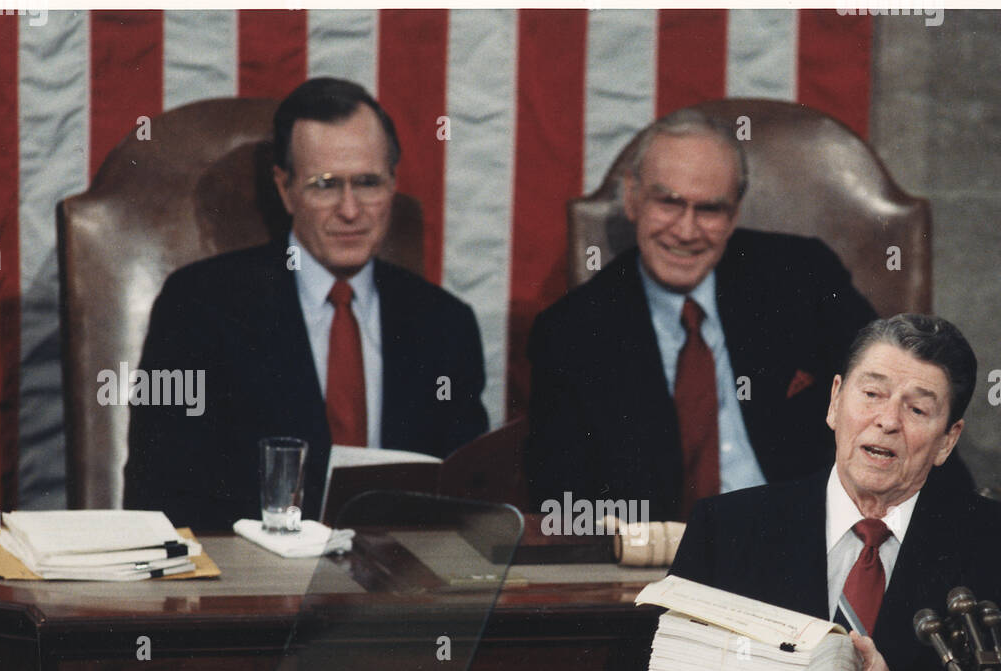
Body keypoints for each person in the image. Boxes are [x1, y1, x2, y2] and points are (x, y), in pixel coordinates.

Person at [663, 314, 1001, 671]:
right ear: (835, 401)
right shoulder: (726, 530)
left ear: (948, 440)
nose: (887, 420)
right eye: (871, 394)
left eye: (918, 409)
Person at [526, 107, 937, 522]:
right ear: (633, 198)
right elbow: (562, 503)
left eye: (709, 209)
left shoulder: (802, 278)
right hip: (658, 567)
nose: (686, 231)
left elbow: (906, 394)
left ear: (734, 214)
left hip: (810, 545)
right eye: (668, 202)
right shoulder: (571, 333)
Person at [124, 77, 488, 529]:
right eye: (325, 185)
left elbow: (469, 504)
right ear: (285, 189)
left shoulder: (445, 325)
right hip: (252, 587)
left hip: (400, 589)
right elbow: (160, 497)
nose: (351, 210)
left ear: (393, 184)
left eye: (368, 183)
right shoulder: (197, 308)